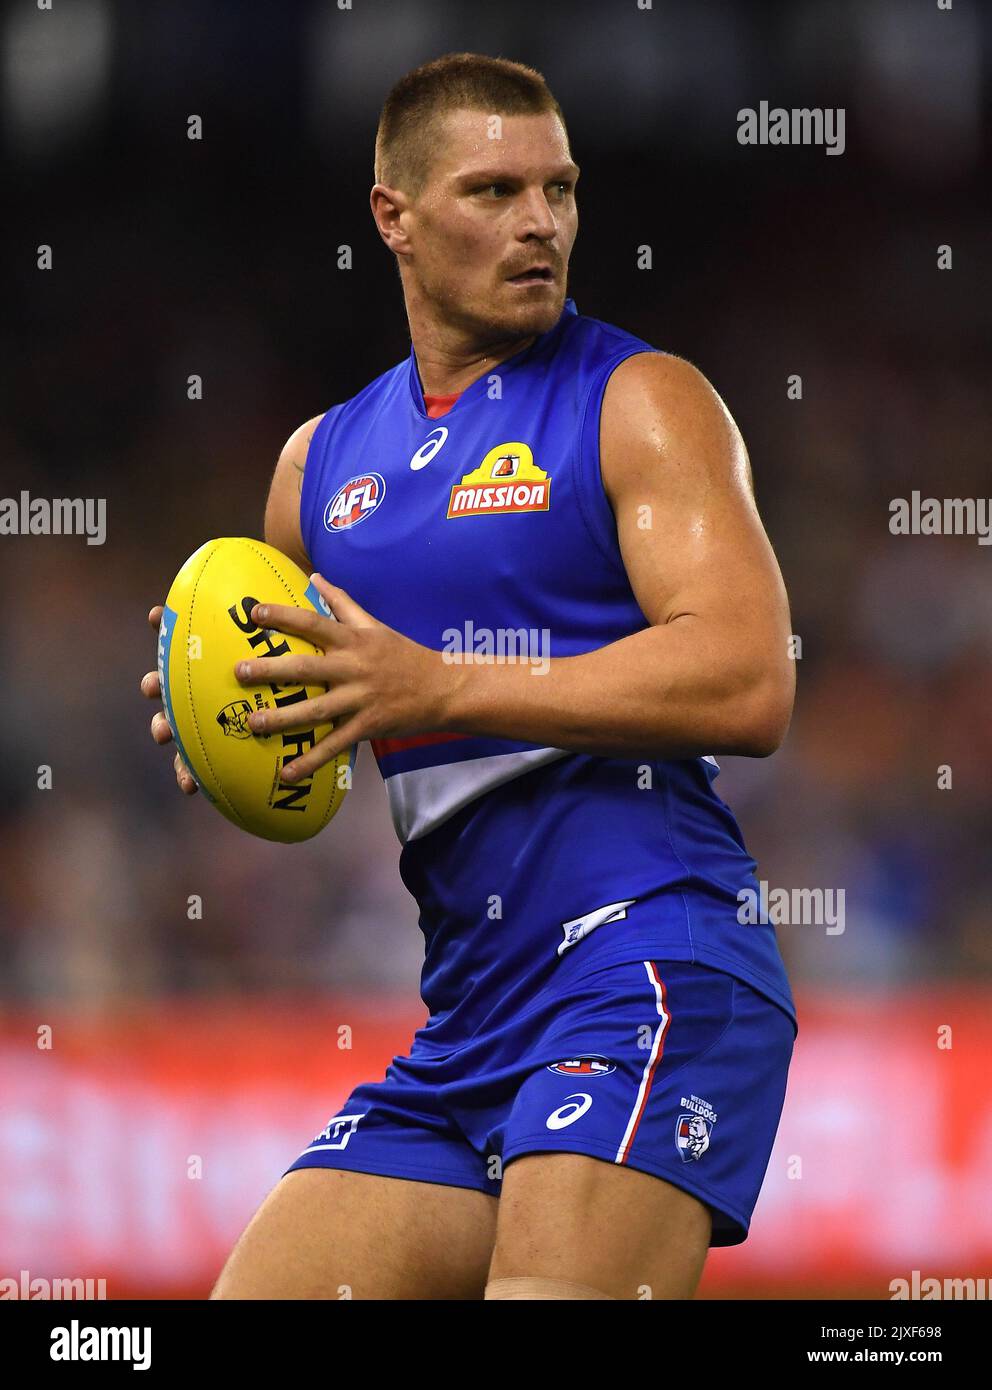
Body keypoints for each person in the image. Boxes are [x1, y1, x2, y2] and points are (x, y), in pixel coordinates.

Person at [141, 52, 797, 1301]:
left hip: (649, 965)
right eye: (493, 190)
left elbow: (745, 679)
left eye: (558, 188)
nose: (540, 221)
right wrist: (228, 718)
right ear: (392, 214)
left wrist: (440, 688)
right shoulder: (315, 468)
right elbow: (315, 735)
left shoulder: (641, 402)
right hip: (470, 1025)